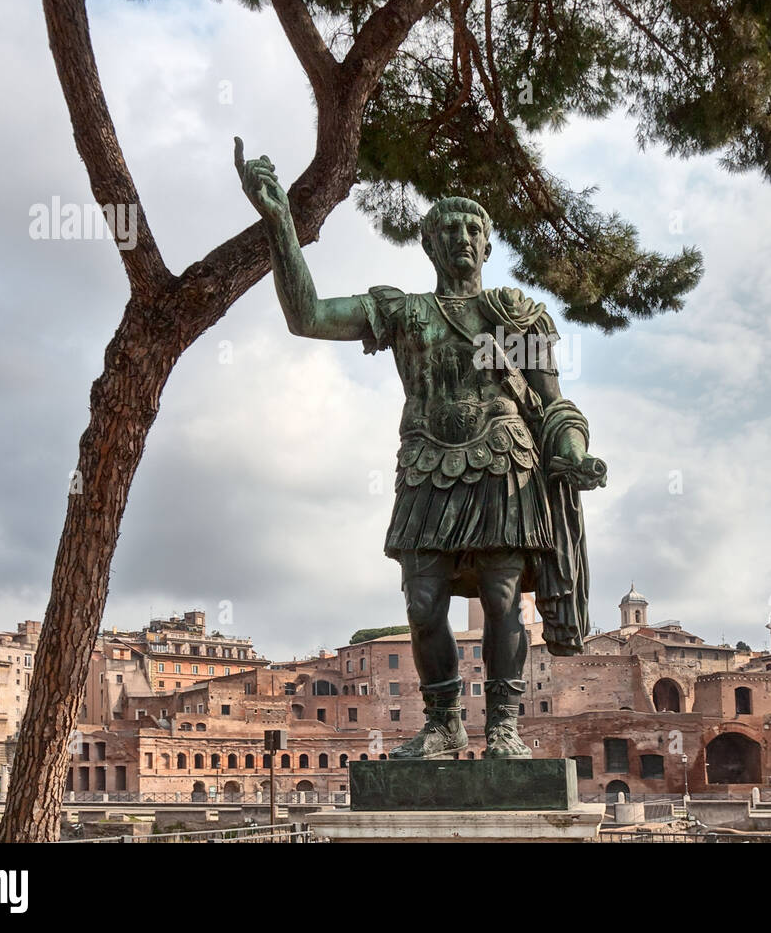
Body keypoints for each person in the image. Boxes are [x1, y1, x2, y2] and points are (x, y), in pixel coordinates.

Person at [236, 140, 606, 759]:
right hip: (428, 468)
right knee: (423, 600)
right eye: (449, 228)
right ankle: (442, 723)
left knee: (501, 599)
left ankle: (506, 727)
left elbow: (553, 400)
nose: (462, 236)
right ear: (429, 245)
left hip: (503, 463)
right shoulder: (405, 312)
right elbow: (307, 316)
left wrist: (571, 449)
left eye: (473, 228)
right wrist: (280, 226)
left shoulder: (514, 316)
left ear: (486, 246)